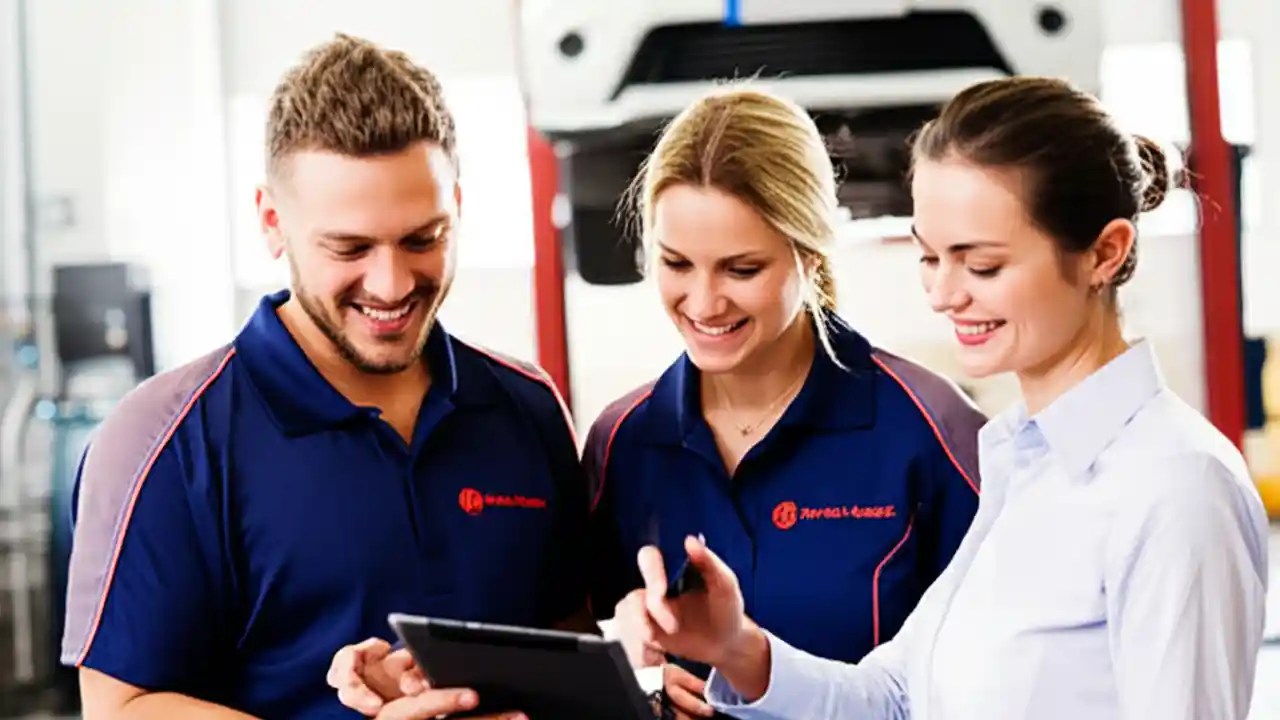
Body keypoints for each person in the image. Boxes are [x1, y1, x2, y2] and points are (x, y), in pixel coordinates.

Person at [618, 76, 1273, 720]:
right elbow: (895, 699)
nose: (943, 295)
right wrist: (738, 649)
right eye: (931, 258)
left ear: (1105, 253)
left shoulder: (1176, 487)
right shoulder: (1023, 468)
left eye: (981, 265)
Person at [60, 33, 586, 719]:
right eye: (350, 247)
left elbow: (566, 645)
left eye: (423, 239)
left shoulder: (528, 410)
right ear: (273, 222)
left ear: (457, 205)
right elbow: (121, 707)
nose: (392, 283)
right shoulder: (164, 440)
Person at [582, 86, 985, 718]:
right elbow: (580, 657)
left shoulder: (933, 434)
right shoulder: (622, 442)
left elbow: (1002, 681)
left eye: (741, 270)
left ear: (810, 250)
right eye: (676, 264)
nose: (704, 302)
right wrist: (621, 660)